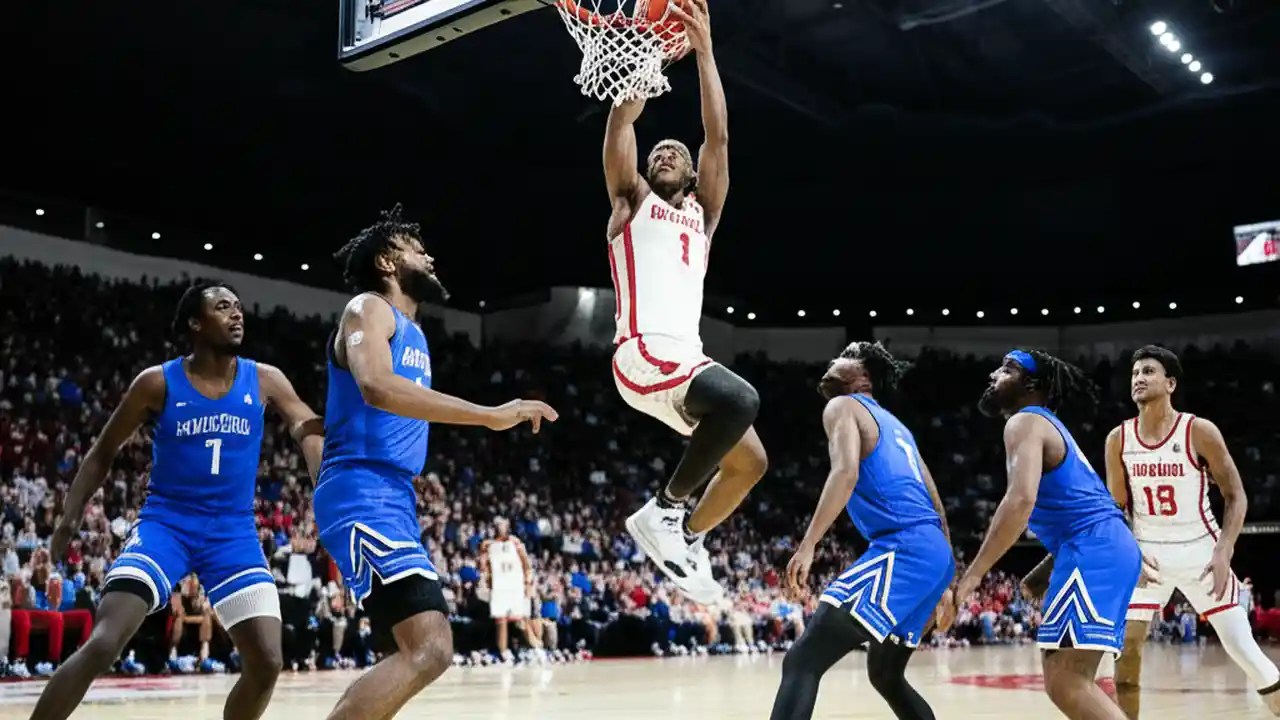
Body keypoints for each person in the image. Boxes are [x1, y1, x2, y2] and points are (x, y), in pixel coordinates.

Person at [31, 282, 325, 720]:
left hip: (232, 533)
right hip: (166, 526)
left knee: (267, 660)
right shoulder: (157, 382)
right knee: (105, 642)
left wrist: (324, 475)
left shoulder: (265, 378)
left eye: (238, 306)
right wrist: (68, 521)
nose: (237, 314)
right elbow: (103, 452)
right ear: (195, 323)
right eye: (222, 307)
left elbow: (305, 423)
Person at [315, 204, 557, 720]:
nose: (428, 257)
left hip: (391, 494)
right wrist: (489, 415)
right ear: (386, 261)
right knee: (431, 648)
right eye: (414, 248)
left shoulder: (414, 332)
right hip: (363, 491)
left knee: (404, 652)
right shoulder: (368, 308)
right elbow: (375, 386)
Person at [602, 0, 767, 604]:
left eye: (675, 151)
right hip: (642, 353)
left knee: (750, 463)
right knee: (742, 398)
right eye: (657, 153)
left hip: (684, 362)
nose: (664, 153)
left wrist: (705, 52)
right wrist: (644, 60)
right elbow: (621, 125)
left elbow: (717, 135)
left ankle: (686, 538)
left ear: (694, 174)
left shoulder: (703, 214)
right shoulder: (631, 202)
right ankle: (664, 510)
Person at [1023, 345, 1280, 717]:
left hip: (1200, 552)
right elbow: (1115, 509)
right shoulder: (1118, 439)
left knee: (1248, 654)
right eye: (1135, 373)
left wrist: (1225, 550)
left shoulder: (1198, 430)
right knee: (1126, 658)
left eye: (1148, 371)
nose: (1139, 379)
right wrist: (1129, 553)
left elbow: (1236, 496)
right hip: (1147, 556)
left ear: (1170, 383)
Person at [941, 350, 1141, 720]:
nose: (994, 374)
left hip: (1094, 548)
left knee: (1067, 681)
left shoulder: (1026, 421)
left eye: (1008, 369)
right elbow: (1082, 510)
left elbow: (1020, 501)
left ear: (1032, 384)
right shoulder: (1048, 425)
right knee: (1072, 679)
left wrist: (973, 575)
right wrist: (1043, 573)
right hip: (1100, 546)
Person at [771, 342, 954, 720]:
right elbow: (937, 505)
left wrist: (809, 544)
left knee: (803, 660)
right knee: (886, 675)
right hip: (933, 552)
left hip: (904, 546)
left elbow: (845, 472)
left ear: (863, 377)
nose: (831, 359)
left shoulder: (843, 405)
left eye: (845, 354)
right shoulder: (899, 429)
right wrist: (945, 580)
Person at [480, 517, 537, 662]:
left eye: (502, 525)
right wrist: (485, 582)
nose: (500, 527)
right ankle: (504, 652)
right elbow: (484, 566)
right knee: (501, 621)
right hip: (499, 587)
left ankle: (535, 648)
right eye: (497, 525)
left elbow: (526, 564)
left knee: (522, 620)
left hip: (515, 585)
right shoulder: (488, 545)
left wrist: (527, 583)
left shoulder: (515, 542)